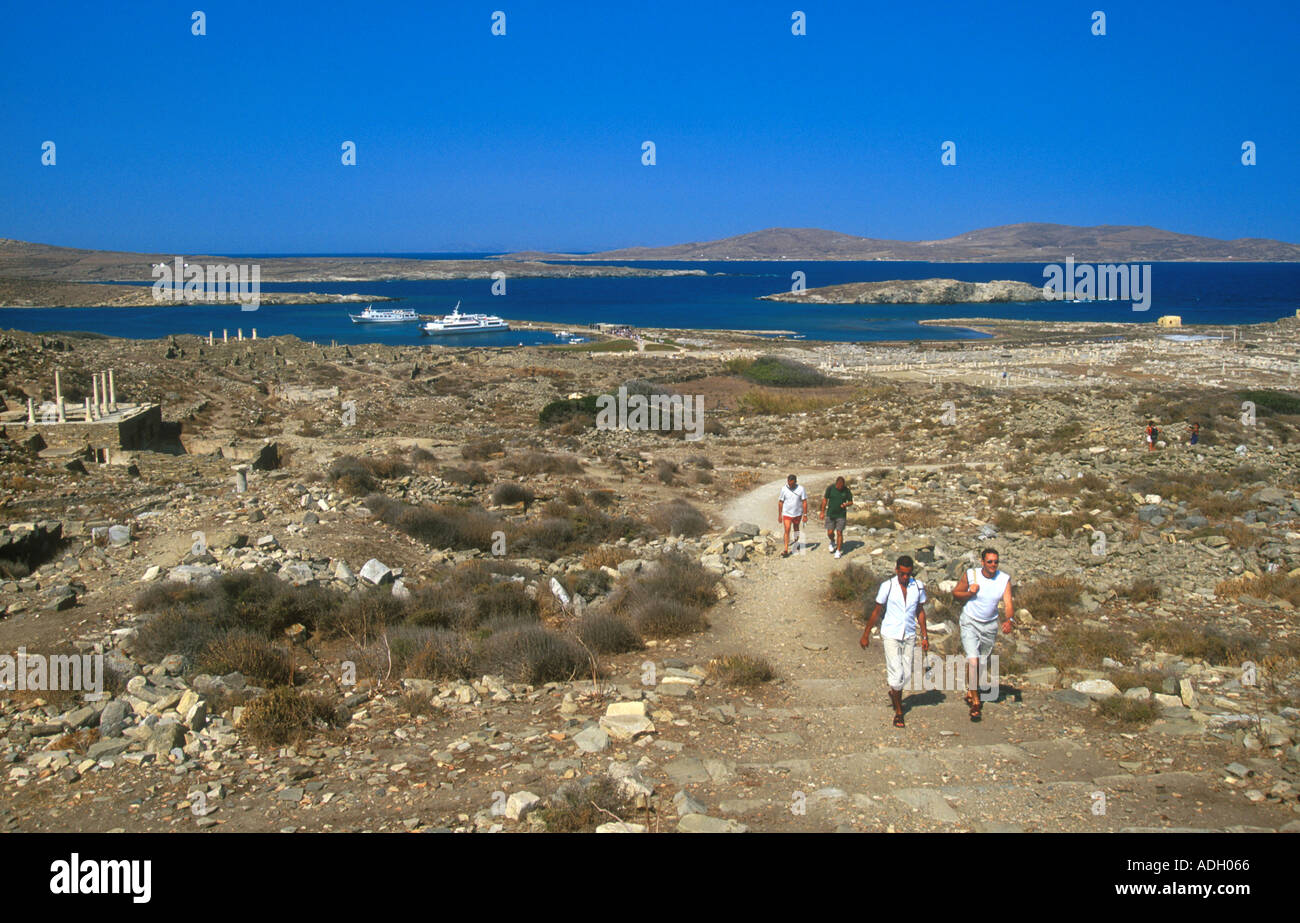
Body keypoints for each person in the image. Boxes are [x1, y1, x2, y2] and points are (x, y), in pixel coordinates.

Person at [860, 556, 928, 728]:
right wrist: (866, 634)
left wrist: (925, 636)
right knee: (896, 673)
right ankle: (899, 712)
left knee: (906, 673)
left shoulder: (918, 587)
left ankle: (894, 692)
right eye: (902, 573)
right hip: (890, 634)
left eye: (908, 574)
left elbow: (920, 611)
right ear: (896, 570)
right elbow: (877, 611)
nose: (905, 577)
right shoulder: (887, 586)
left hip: (909, 634)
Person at [951, 548, 1013, 721]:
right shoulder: (972, 575)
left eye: (996, 562)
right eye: (989, 561)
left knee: (982, 662)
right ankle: (976, 701)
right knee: (973, 660)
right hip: (970, 622)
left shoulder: (1003, 579)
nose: (993, 565)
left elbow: (1008, 602)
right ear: (982, 561)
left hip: (990, 625)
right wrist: (970, 593)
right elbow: (956, 593)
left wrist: (1009, 620)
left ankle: (971, 690)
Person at [820, 476, 854, 559]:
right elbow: (825, 500)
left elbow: (851, 502)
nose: (840, 487)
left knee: (839, 532)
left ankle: (838, 551)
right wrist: (822, 512)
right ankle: (832, 541)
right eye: (839, 486)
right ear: (836, 484)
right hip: (831, 514)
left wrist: (846, 504)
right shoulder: (830, 488)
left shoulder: (846, 490)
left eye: (842, 486)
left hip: (841, 515)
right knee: (830, 532)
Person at [777, 473, 807, 557]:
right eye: (789, 483)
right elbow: (780, 502)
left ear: (795, 482)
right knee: (787, 529)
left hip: (797, 513)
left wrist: (805, 515)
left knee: (796, 529)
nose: (790, 485)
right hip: (787, 513)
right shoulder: (784, 489)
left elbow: (804, 501)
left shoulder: (801, 489)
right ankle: (786, 549)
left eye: (792, 484)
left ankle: (796, 543)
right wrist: (779, 515)